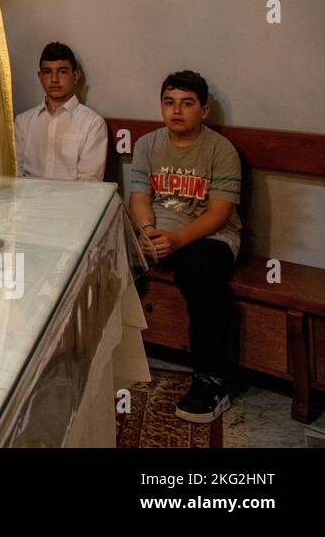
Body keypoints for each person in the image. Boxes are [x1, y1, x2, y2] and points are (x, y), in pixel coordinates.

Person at [128, 70, 242, 423]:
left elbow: (220, 214)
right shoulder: (147, 144)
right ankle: (110, 356)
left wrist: (177, 240)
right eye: (169, 102)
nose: (176, 111)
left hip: (207, 236)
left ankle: (212, 381)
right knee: (101, 250)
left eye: (187, 104)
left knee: (199, 273)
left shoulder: (220, 150)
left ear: (204, 110)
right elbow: (139, 198)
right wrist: (147, 232)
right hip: (157, 234)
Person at [14, 42, 106, 181]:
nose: (54, 79)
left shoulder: (92, 123)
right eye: (47, 72)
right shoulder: (23, 122)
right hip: (28, 200)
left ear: (75, 76)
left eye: (62, 71)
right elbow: (16, 174)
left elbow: (89, 184)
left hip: (74, 201)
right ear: (40, 77)